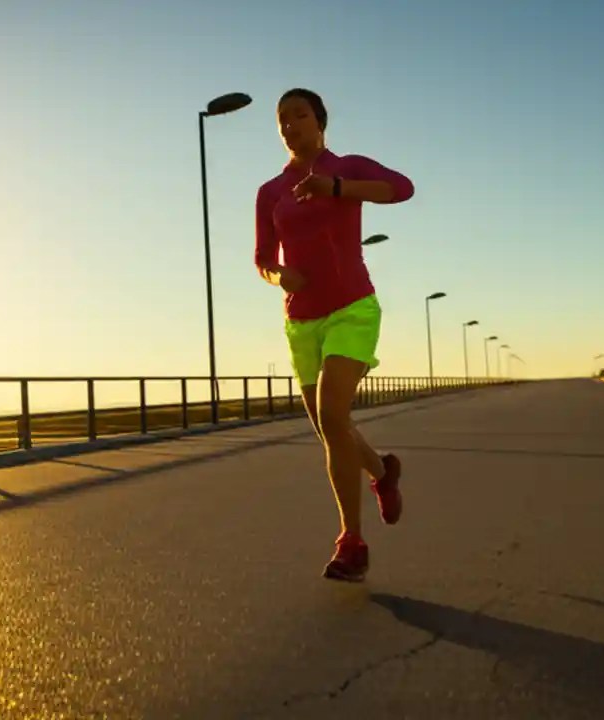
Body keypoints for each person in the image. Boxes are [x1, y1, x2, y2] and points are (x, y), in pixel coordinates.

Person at [254, 88, 415, 582]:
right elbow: (262, 259)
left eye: (299, 115)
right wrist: (280, 276)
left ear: (320, 121)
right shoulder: (270, 192)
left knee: (331, 414)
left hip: (352, 308)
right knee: (331, 427)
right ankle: (382, 472)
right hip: (301, 319)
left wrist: (338, 188)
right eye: (282, 119)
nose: (290, 125)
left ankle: (352, 541)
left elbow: (403, 188)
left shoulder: (348, 165)